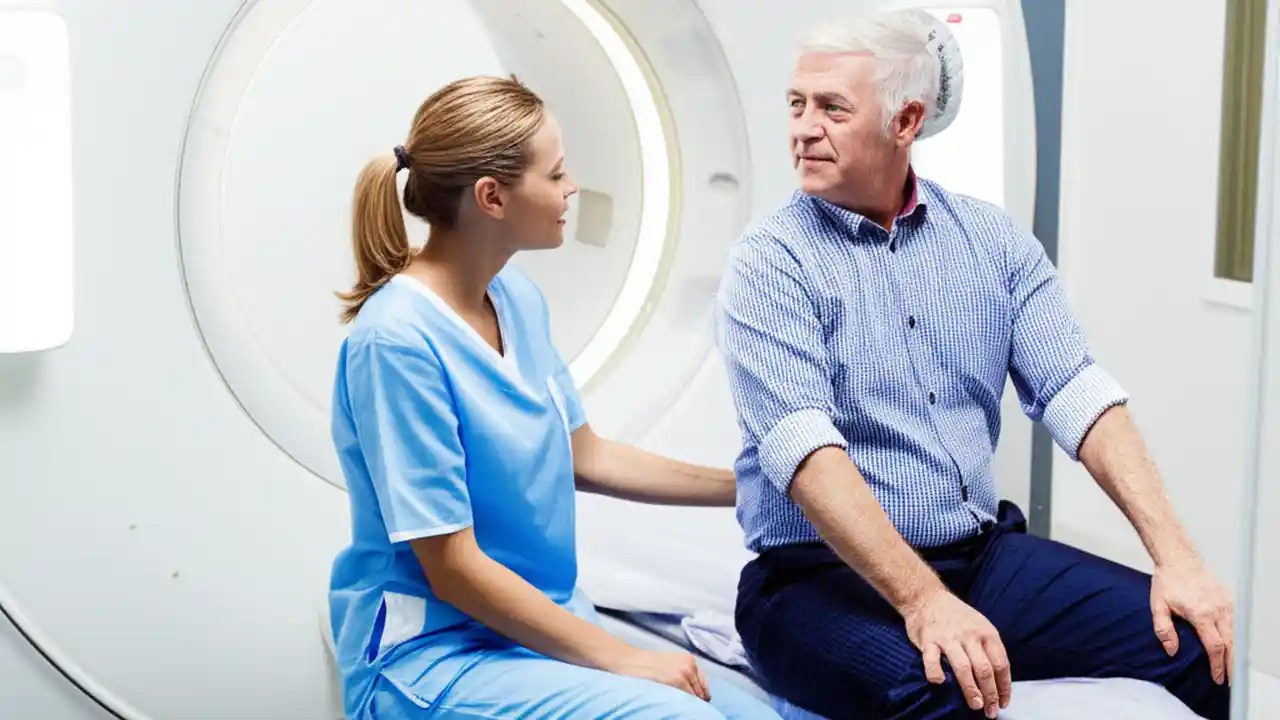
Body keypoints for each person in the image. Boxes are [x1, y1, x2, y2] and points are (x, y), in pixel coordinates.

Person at [715, 9, 1233, 720]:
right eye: (796, 104)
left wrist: (1178, 558)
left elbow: (1077, 391)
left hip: (980, 559)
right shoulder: (770, 261)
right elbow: (804, 454)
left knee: (1202, 646)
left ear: (906, 123)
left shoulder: (992, 243)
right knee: (945, 691)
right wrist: (926, 603)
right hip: (812, 582)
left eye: (833, 108)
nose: (804, 127)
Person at [327, 76, 781, 720]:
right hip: (434, 655)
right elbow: (451, 566)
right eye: (557, 174)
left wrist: (758, 481)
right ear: (491, 197)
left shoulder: (515, 300)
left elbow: (584, 455)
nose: (571, 189)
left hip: (534, 631)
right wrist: (624, 658)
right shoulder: (395, 341)